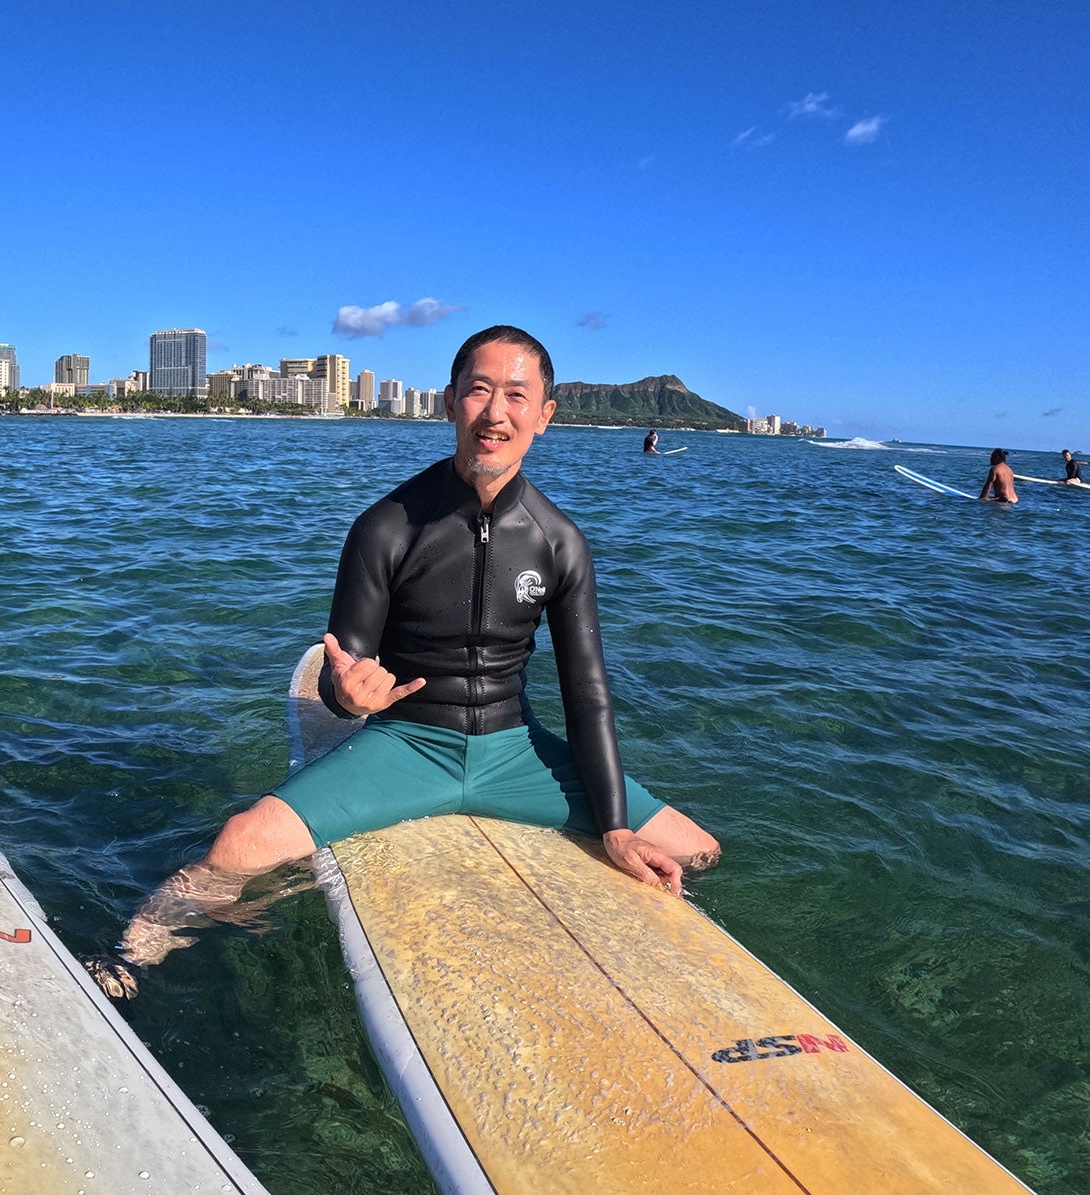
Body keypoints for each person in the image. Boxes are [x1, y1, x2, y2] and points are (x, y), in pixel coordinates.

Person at [85, 325, 720, 999]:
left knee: (697, 849)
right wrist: (349, 697)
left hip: (516, 750)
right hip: (409, 741)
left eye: (515, 395)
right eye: (478, 391)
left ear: (545, 415)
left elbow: (587, 695)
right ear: (449, 403)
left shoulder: (560, 543)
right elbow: (344, 670)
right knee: (239, 842)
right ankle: (131, 957)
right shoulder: (387, 526)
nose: (495, 412)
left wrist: (616, 829)